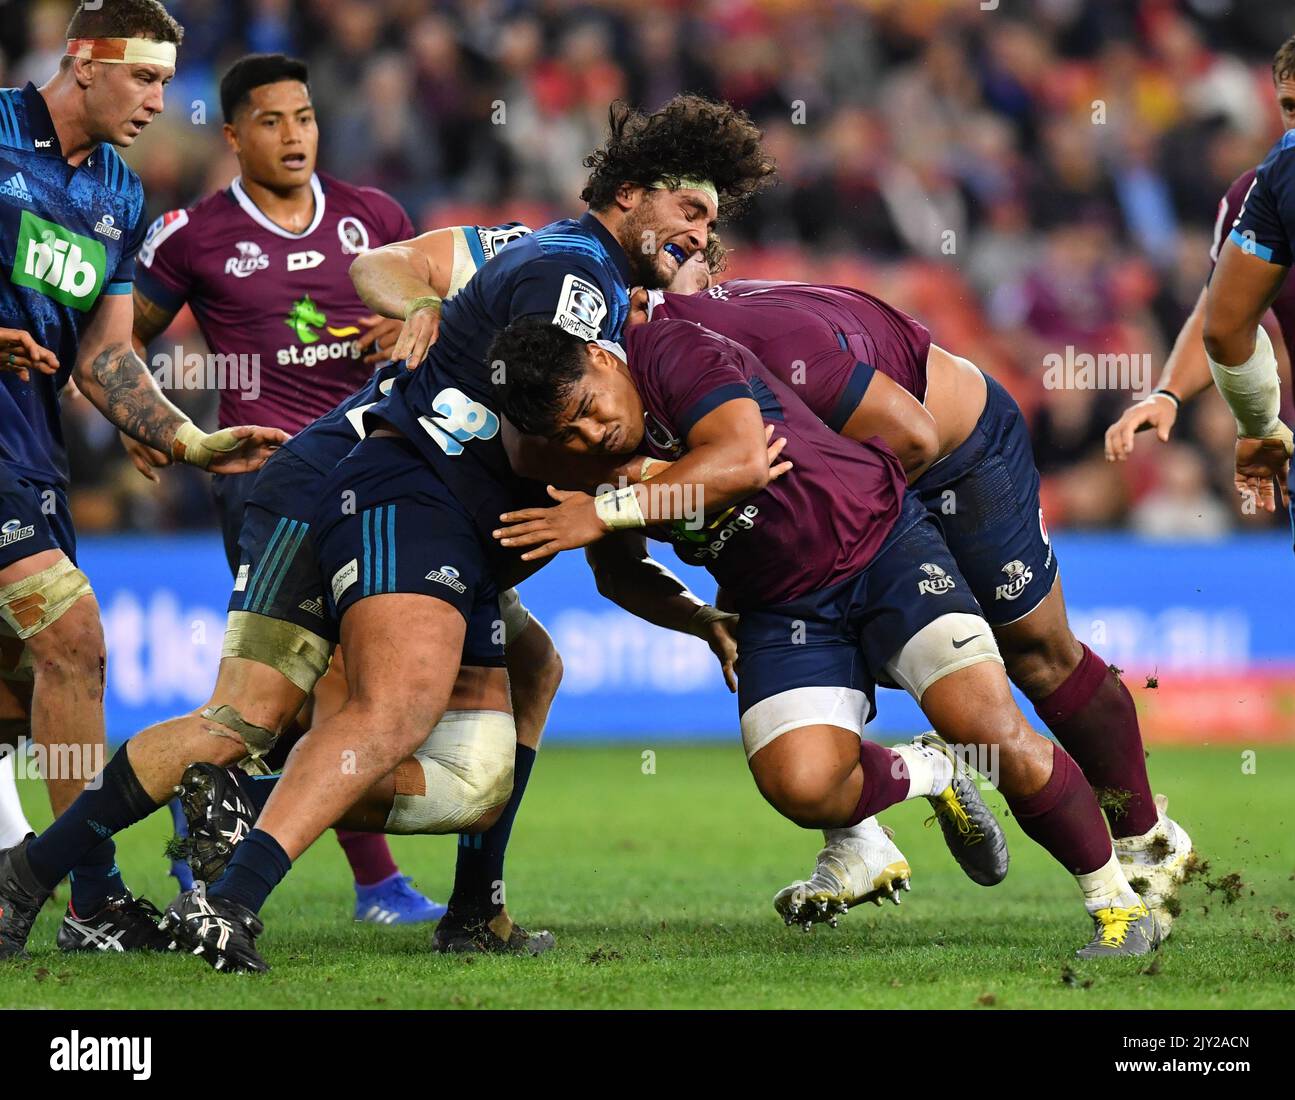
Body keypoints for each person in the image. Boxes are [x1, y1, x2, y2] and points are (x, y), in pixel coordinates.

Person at [159, 94, 778, 973]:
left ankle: (471, 906)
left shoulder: (569, 264)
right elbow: (548, 429)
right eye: (689, 209)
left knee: (532, 670)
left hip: (439, 498)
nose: (701, 233)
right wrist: (638, 484)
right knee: (377, 714)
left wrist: (664, 568)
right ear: (632, 194)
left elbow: (585, 493)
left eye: (713, 220)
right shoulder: (575, 281)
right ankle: (229, 880)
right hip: (409, 491)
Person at [488, 314, 1163, 960]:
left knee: (986, 725)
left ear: (603, 360)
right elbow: (620, 569)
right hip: (781, 606)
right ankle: (934, 771)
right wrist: (700, 618)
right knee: (802, 784)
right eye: (567, 430)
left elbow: (742, 461)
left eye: (589, 404)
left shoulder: (672, 352)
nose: (591, 431)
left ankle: (1120, 906)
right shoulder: (571, 461)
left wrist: (615, 502)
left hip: (878, 546)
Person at [641, 257, 1194, 936]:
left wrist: (854, 543)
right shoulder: (615, 396)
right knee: (808, 626)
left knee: (1033, 654)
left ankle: (1148, 841)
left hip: (948, 453)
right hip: (847, 499)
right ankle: (859, 839)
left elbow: (908, 437)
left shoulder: (758, 341)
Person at [127, 51, 439, 926]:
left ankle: (228, 838)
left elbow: (441, 314)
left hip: (376, 472)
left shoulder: (374, 218)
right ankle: (371, 884)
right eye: (271, 120)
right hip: (266, 481)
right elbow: (121, 339)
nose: (294, 134)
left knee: (312, 692)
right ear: (232, 136)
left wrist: (413, 318)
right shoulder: (191, 234)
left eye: (303, 116)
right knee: (319, 680)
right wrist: (142, 421)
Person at [0, 0, 285, 958]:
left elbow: (107, 355)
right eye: (146, 77)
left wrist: (191, 439)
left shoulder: (119, 193)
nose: (164, 99)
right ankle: (86, 892)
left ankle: (61, 888)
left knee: (19, 694)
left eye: (169, 79)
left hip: (30, 450)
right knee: (74, 639)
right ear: (84, 62)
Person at [1107, 31, 1295, 567]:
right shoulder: (1254, 198)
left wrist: (1258, 424)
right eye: (1290, 107)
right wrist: (1167, 394)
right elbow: (1219, 318)